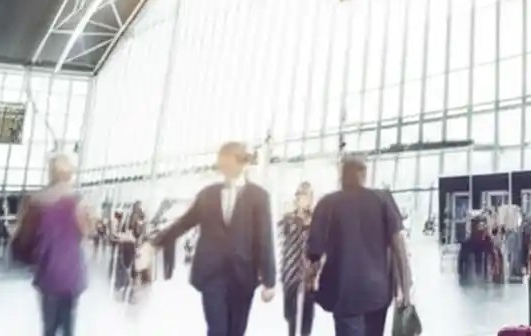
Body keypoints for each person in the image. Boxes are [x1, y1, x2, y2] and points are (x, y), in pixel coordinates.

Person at [154, 142, 276, 336]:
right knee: (217, 329)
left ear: (240, 163)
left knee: (236, 331)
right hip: (212, 274)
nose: (222, 168)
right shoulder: (208, 194)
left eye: (225, 163)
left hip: (243, 276)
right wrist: (155, 243)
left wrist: (269, 280)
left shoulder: (259, 197)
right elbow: (185, 222)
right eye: (221, 164)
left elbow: (264, 239)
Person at [305, 155, 412, 336]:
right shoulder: (382, 199)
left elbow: (314, 252)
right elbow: (399, 247)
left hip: (343, 291)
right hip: (378, 292)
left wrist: (310, 281)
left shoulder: (327, 203)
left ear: (341, 174)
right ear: (364, 174)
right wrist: (405, 290)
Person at [25, 154, 94, 336]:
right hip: (71, 272)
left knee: (49, 327)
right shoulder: (78, 201)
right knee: (68, 325)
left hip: (49, 270)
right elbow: (87, 231)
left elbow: (28, 238)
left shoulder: (39, 201)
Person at [280, 182, 315, 336]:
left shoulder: (315, 220)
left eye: (306, 195)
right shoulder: (288, 219)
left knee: (307, 315)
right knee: (291, 315)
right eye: (300, 195)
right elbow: (283, 233)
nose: (303, 199)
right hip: (291, 272)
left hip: (308, 275)